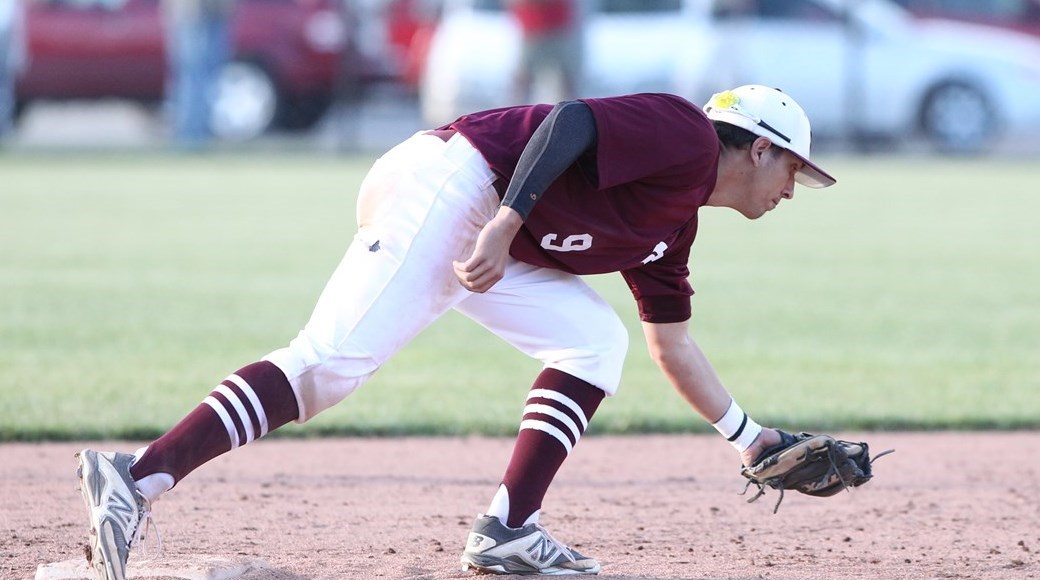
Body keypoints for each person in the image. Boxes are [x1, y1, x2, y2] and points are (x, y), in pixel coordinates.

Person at [76, 84, 836, 579]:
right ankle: (135, 479)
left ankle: (509, 529)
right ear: (759, 146)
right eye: (792, 171)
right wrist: (507, 223)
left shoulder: (672, 233)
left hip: (482, 228)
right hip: (457, 179)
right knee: (331, 363)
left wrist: (749, 438)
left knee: (594, 342)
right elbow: (570, 121)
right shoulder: (687, 135)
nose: (791, 190)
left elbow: (672, 344)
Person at [161, 0, 236, 148]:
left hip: (217, 11)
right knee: (193, 74)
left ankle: (204, 130)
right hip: (190, 12)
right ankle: (190, 134)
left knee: (210, 73)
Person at [508, 0, 583, 103]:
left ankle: (571, 112)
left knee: (566, 82)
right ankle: (517, 113)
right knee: (523, 81)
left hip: (558, 31)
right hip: (533, 30)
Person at [0, 0, 26, 140]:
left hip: (5, 32)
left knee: (4, 86)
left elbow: (16, 21)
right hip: (5, 31)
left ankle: (3, 126)